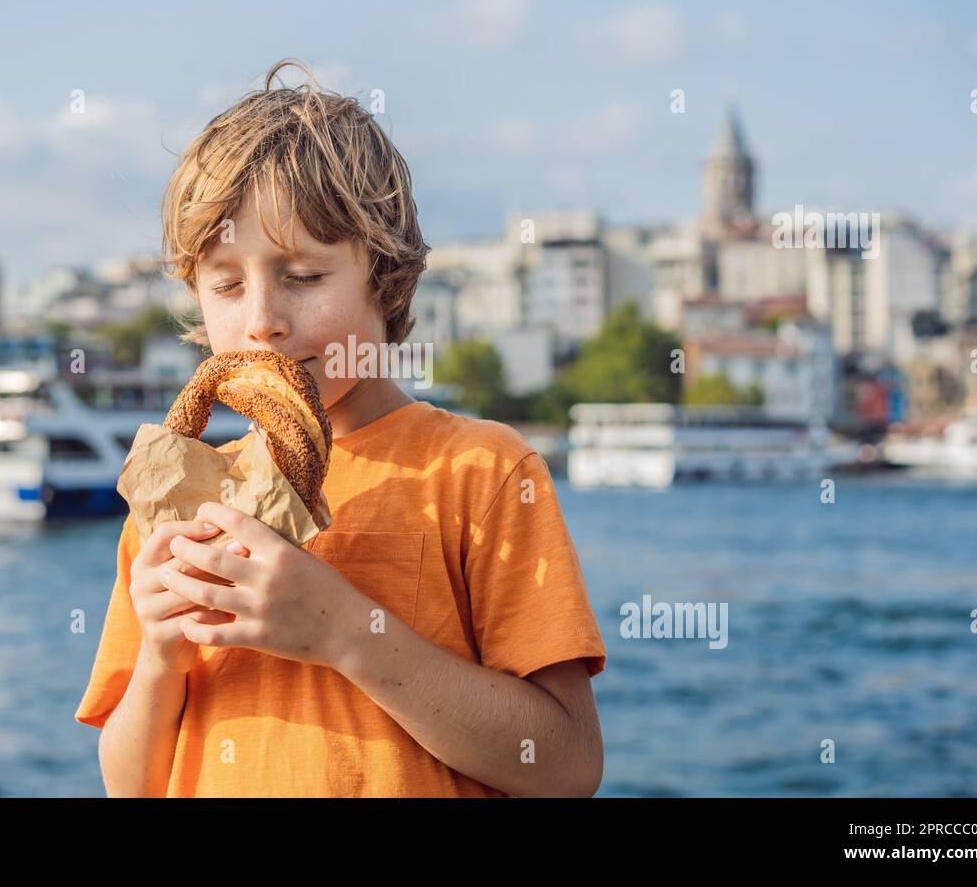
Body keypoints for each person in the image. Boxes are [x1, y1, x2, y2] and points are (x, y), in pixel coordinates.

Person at [75, 59, 607, 797]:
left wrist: (345, 634)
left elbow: (565, 766)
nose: (262, 320)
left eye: (304, 276)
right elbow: (129, 784)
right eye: (227, 284)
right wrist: (163, 656)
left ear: (386, 279)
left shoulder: (481, 471)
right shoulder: (182, 498)